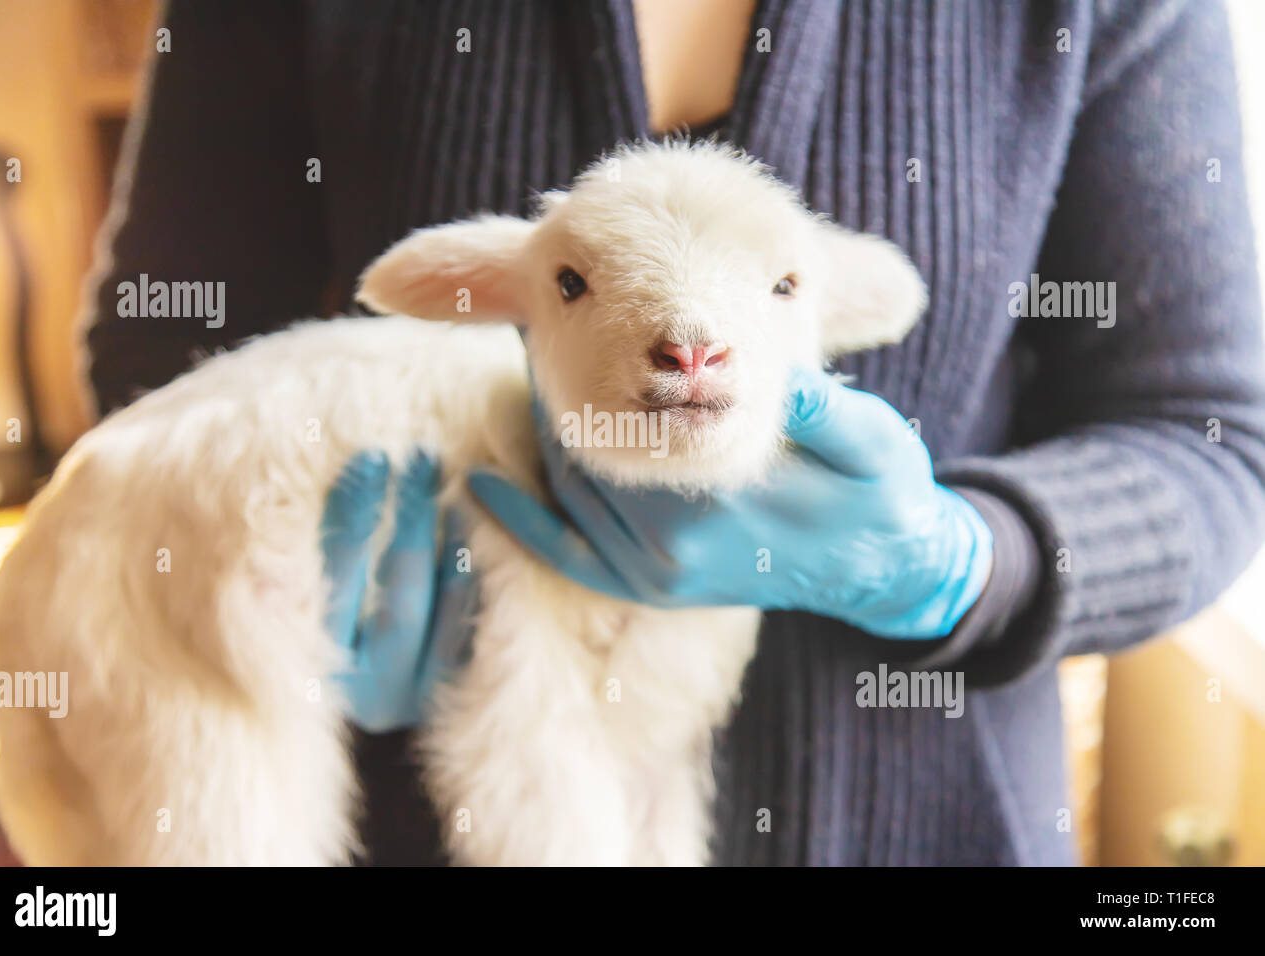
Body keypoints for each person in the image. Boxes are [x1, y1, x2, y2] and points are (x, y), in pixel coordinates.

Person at [82, 0, 1265, 865]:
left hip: (931, 828)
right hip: (402, 813)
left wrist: (966, 558)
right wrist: (297, 576)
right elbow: (167, 351)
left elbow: (1214, 432)